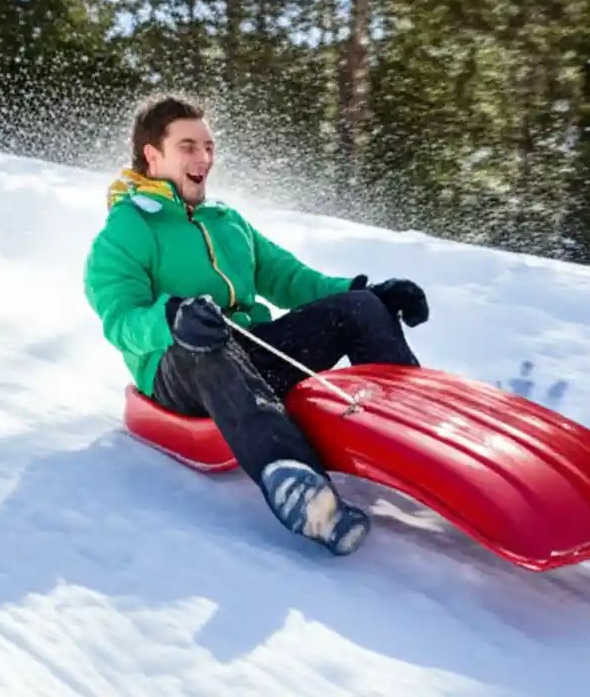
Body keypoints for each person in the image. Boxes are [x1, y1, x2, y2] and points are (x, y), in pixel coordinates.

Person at [83, 94, 429, 556]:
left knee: (360, 307)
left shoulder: (226, 221)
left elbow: (290, 279)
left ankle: (417, 433)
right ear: (153, 154)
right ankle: (305, 494)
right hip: (179, 370)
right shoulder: (125, 231)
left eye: (208, 146)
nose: (203, 157)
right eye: (188, 146)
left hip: (252, 353)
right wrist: (172, 317)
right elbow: (121, 321)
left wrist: (369, 292)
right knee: (204, 344)